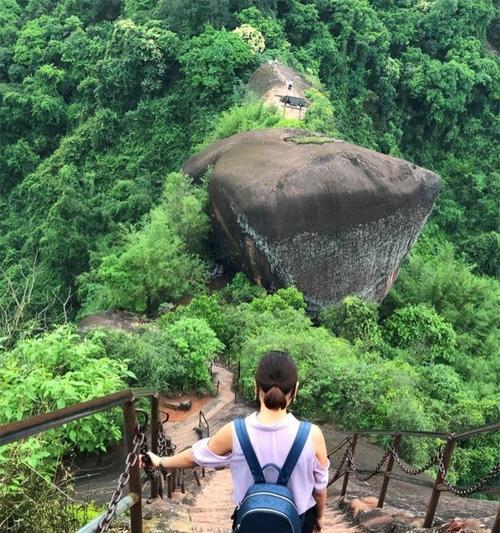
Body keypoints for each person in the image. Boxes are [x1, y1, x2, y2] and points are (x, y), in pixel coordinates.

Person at [142, 351, 330, 532]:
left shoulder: (235, 432)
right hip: (299, 522)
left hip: (251, 522)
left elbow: (194, 456)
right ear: (295, 389)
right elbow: (319, 490)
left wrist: (160, 461)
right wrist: (320, 518)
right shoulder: (312, 435)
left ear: (255, 387)